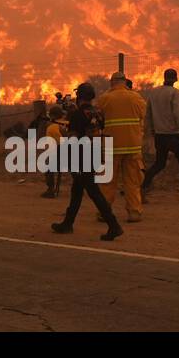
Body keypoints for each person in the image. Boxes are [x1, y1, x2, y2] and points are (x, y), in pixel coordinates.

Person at [51, 83, 124, 241]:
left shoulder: (77, 115)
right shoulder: (98, 113)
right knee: (76, 190)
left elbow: (74, 138)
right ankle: (68, 223)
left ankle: (114, 225)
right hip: (95, 154)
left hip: (82, 156)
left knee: (93, 192)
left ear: (80, 96)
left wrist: (65, 133)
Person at [143, 69, 179, 203]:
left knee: (159, 163)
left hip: (160, 135)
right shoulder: (175, 93)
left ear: (164, 78)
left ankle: (142, 187)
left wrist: (152, 131)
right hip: (173, 135)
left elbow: (149, 114)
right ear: (175, 79)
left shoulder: (154, 93)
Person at [96, 72, 148, 222]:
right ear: (125, 82)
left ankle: (104, 212)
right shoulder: (136, 97)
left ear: (112, 83)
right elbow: (142, 116)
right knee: (132, 181)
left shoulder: (105, 98)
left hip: (112, 146)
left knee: (108, 182)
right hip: (132, 146)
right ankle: (134, 212)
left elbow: (99, 118)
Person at [41, 104, 69, 198]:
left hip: (61, 155)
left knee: (47, 164)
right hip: (75, 154)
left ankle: (50, 189)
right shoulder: (68, 124)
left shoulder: (52, 127)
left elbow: (58, 144)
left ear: (52, 116)